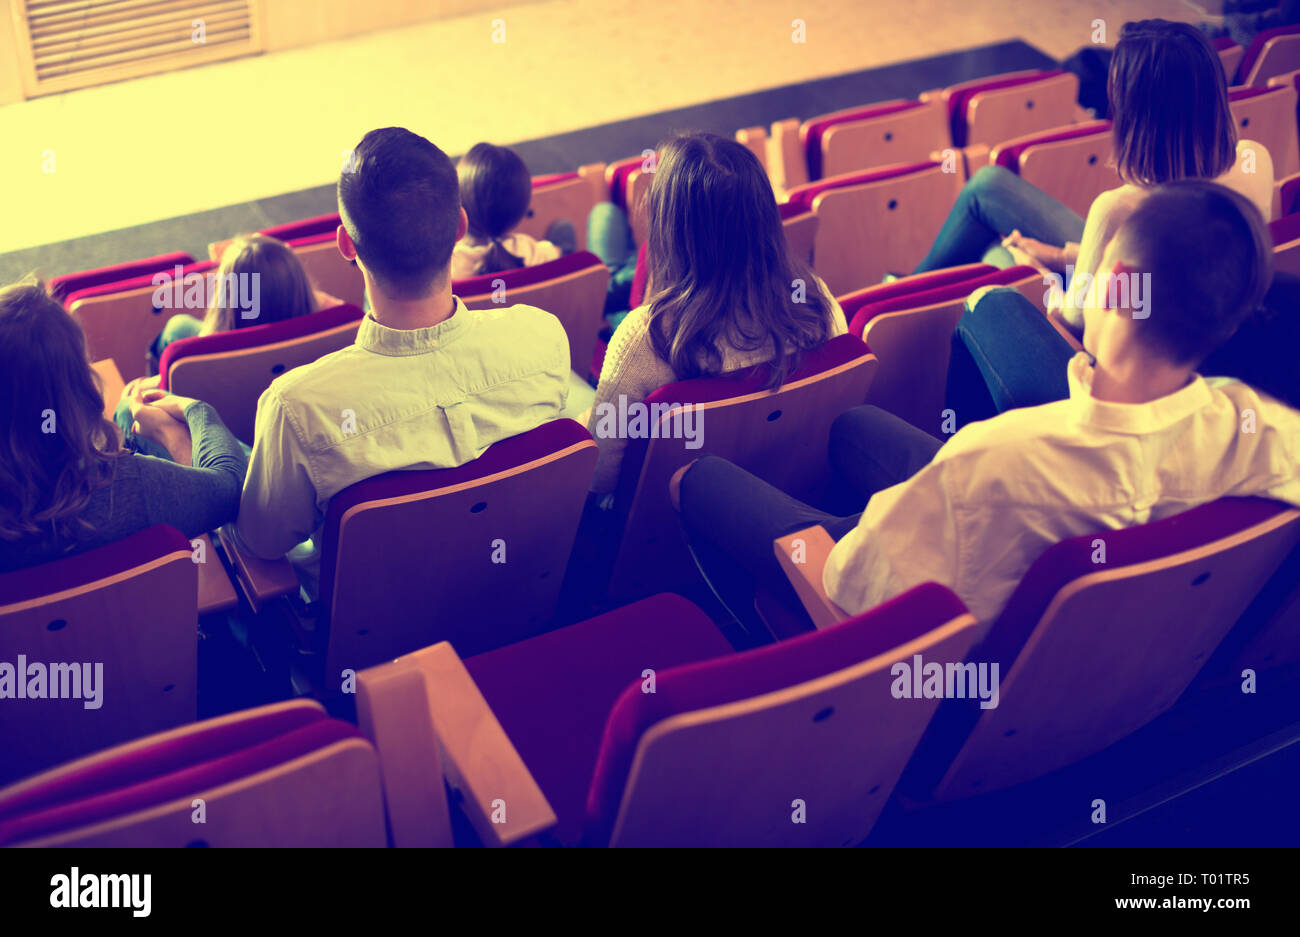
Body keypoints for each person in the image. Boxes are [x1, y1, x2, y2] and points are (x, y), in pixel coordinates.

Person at [676, 182, 1300, 633]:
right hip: (1104, 680)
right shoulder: (1261, 429)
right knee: (853, 427)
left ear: (1113, 285)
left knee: (694, 480)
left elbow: (847, 586)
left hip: (930, 664)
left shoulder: (996, 458)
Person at [232, 128, 570, 589]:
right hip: (518, 601)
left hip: (366, 652)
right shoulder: (542, 337)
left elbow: (261, 542)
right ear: (458, 228)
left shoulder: (297, 409)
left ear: (346, 245)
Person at [915, 19, 1273, 333]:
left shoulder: (1122, 208)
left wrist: (1037, 271)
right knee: (988, 184)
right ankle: (905, 290)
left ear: (1137, 117)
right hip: (1184, 315)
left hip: (1118, 350)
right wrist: (1059, 254)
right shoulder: (1255, 158)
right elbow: (1157, 268)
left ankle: (904, 295)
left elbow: (1077, 324)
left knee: (996, 252)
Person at [584, 132, 847, 498]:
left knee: (603, 217)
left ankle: (610, 274)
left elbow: (598, 478)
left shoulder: (645, 337)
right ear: (765, 217)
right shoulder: (817, 302)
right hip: (794, 496)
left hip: (663, 539)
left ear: (668, 226)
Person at [0, 280, 247, 572]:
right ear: (75, 386)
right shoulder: (127, 486)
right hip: (154, 615)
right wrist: (196, 409)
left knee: (128, 412)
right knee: (137, 409)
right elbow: (232, 489)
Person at [149, 233, 340, 359]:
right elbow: (335, 306)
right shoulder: (338, 325)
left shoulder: (199, 353)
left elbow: (207, 337)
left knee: (178, 326)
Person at [450, 142, 575, 279]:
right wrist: (560, 252)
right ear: (522, 213)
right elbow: (558, 256)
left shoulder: (450, 265)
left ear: (460, 210)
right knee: (565, 237)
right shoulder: (529, 249)